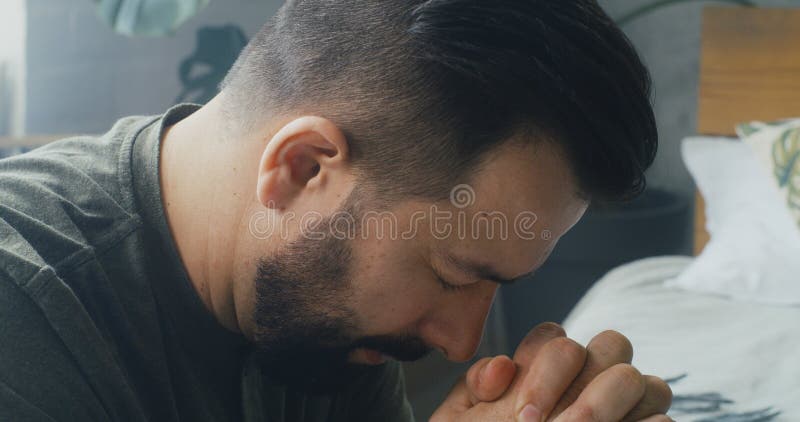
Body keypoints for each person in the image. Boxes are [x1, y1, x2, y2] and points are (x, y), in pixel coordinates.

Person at [0, 0, 672, 421]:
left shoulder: (310, 312)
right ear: (302, 168)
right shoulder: (21, 311)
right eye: (452, 275)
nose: (462, 342)